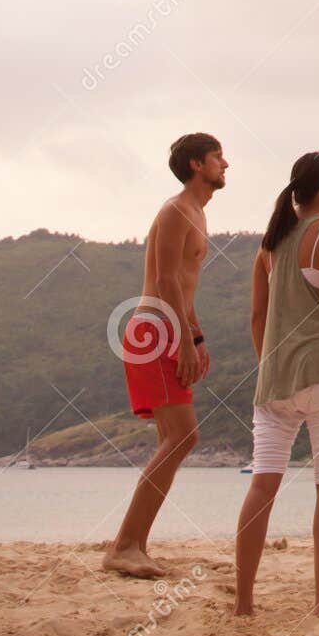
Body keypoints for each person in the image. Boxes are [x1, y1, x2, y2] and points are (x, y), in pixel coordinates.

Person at [234, 152, 319, 617]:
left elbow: (256, 316)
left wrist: (269, 363)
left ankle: (245, 603)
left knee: (262, 485)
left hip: (273, 381)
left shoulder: (269, 245)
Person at [104, 133, 227, 578]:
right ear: (197, 165)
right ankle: (123, 546)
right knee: (183, 437)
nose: (225, 164)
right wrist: (182, 339)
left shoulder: (196, 213)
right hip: (154, 331)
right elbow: (164, 278)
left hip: (169, 328)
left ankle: (133, 544)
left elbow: (184, 285)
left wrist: (198, 336)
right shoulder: (176, 211)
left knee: (172, 439)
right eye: (217, 157)